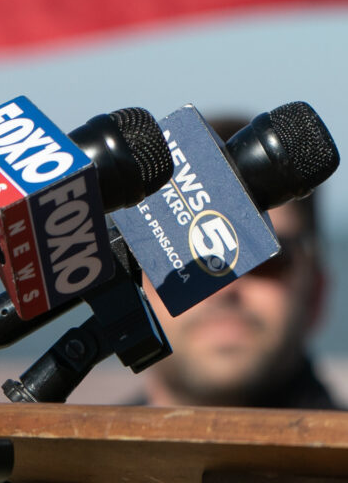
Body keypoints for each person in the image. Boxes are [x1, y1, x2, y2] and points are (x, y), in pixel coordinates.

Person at [139, 115, 337, 410]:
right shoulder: (66, 455)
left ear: (316, 292)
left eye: (265, 260)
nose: (224, 289)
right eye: (188, 257)